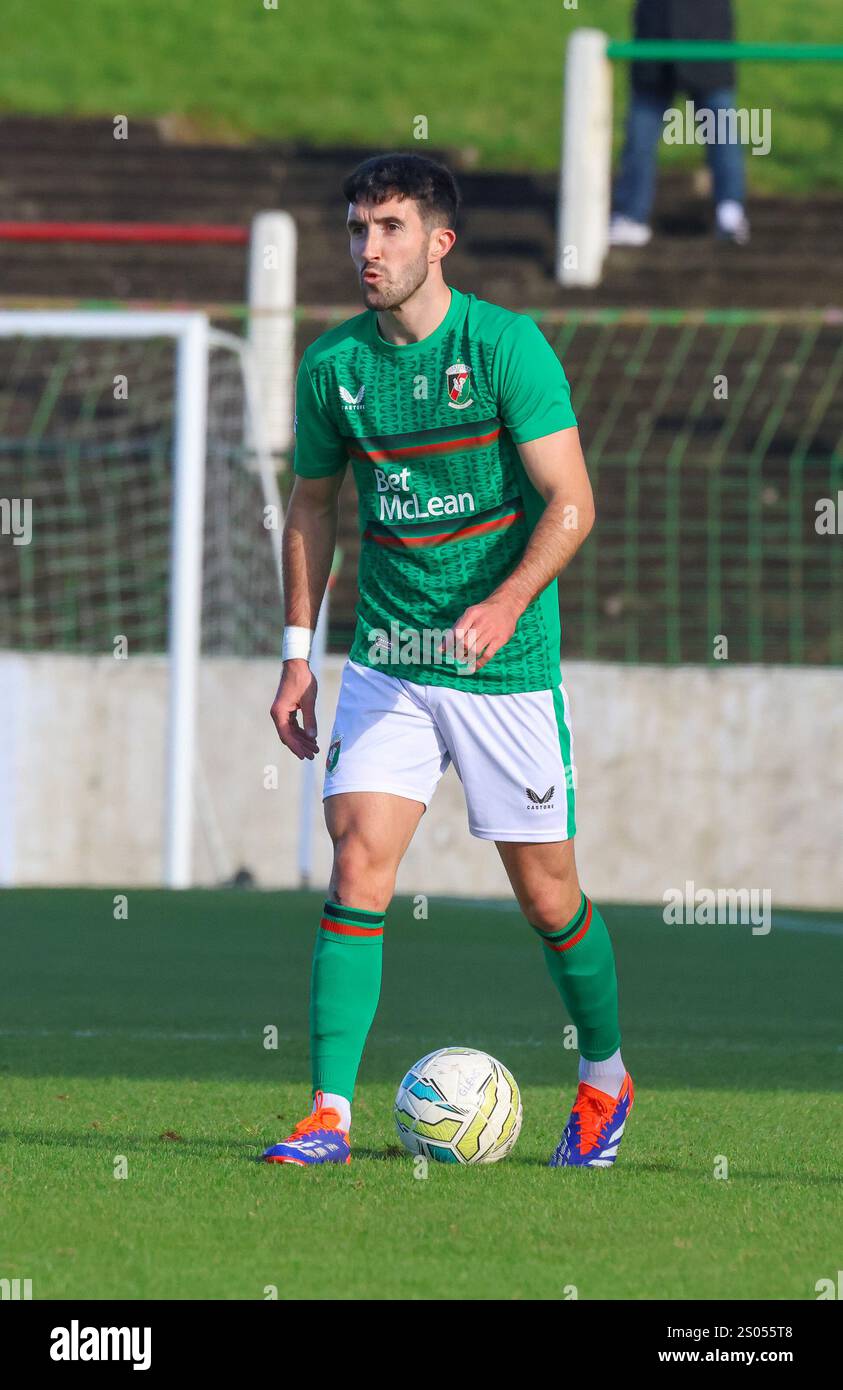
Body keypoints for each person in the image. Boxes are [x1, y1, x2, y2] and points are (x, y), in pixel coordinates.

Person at [263, 152, 633, 1169]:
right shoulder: (334, 366)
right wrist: (299, 655)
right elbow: (313, 506)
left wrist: (507, 601)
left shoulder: (507, 347)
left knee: (548, 894)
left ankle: (604, 1076)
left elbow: (572, 503)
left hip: (505, 669)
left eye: (387, 228)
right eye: (354, 229)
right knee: (356, 861)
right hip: (391, 654)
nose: (365, 249)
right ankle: (328, 1111)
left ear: (439, 241)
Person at [610, 0, 750, 246]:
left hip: (708, 37)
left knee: (722, 131)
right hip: (655, 38)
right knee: (640, 136)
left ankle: (731, 211)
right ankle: (632, 214)